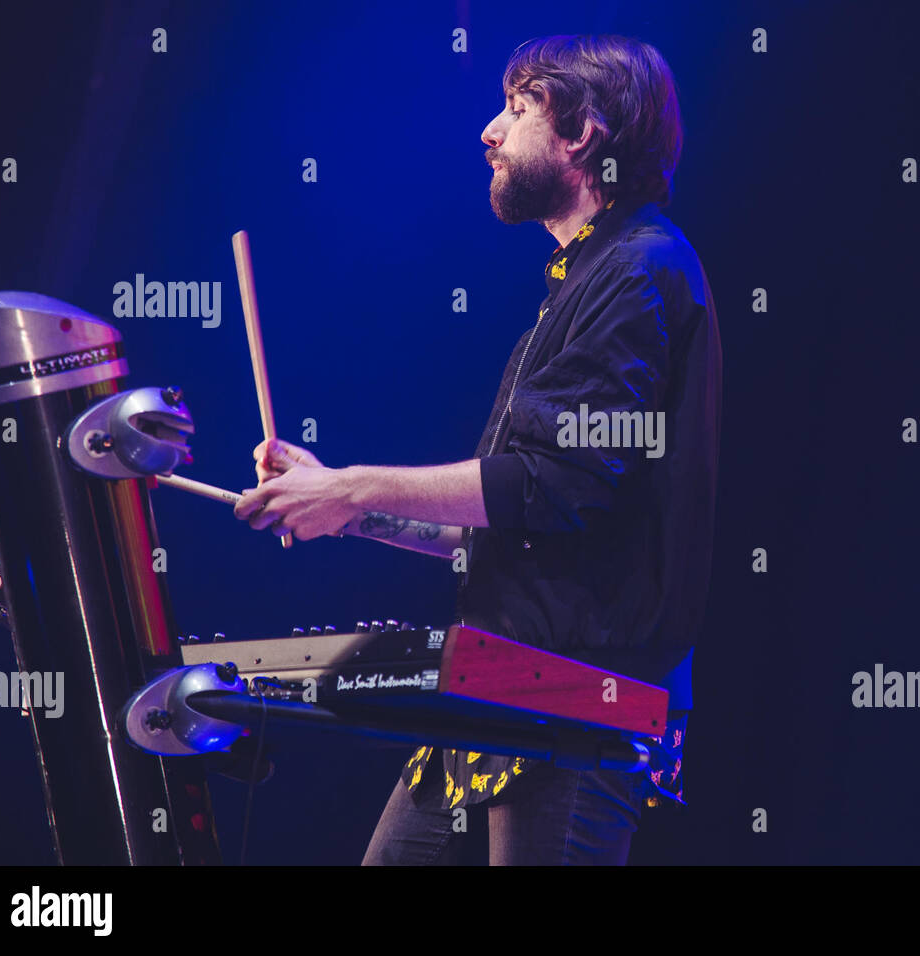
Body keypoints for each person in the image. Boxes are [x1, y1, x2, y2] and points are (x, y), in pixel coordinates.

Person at [233, 33, 721, 865]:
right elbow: (495, 522)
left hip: (576, 702)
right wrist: (345, 508)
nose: (488, 131)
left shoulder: (638, 272)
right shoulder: (582, 281)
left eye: (519, 107)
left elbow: (550, 483)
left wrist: (350, 486)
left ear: (582, 136)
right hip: (501, 685)